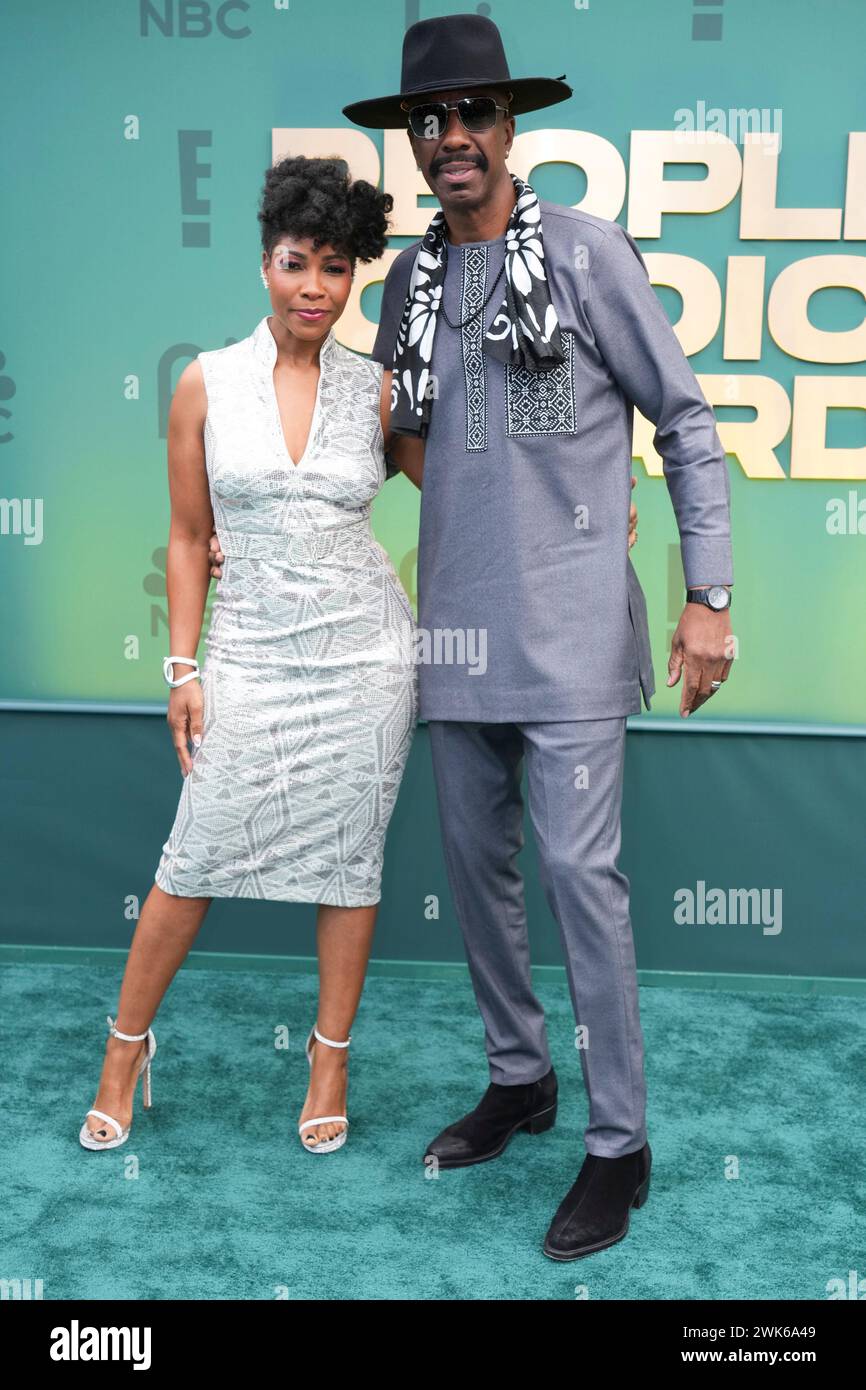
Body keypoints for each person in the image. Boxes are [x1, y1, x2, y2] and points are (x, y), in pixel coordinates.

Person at [341, 13, 734, 1259]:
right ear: (412, 143)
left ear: (511, 129)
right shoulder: (405, 282)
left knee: (579, 878)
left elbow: (682, 419)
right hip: (454, 632)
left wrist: (706, 594)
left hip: (567, 631)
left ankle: (618, 1143)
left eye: (472, 115)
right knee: (475, 874)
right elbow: (412, 442)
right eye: (428, 120)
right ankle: (520, 1078)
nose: (450, 137)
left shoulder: (581, 252)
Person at [79, 155, 423, 1157]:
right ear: (264, 262)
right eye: (293, 263)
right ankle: (124, 1051)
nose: (313, 288)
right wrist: (181, 669)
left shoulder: (377, 391)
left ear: (354, 273)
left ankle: (328, 1059)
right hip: (250, 657)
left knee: (350, 867)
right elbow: (189, 537)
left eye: (333, 267)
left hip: (366, 662)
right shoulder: (205, 383)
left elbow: (462, 490)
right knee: (191, 857)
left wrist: (586, 497)